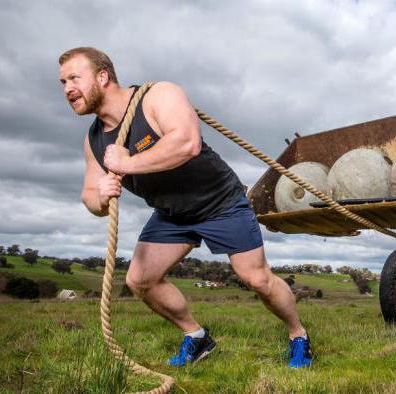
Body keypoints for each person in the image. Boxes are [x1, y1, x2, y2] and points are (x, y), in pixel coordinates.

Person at [58, 47, 311, 368]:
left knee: (257, 279)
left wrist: (130, 163)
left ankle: (298, 334)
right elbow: (89, 197)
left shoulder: (157, 96)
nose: (67, 88)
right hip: (172, 214)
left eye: (74, 78)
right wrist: (102, 196)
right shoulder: (93, 140)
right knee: (140, 280)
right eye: (63, 82)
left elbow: (187, 142)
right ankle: (197, 336)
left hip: (220, 202)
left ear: (103, 76)